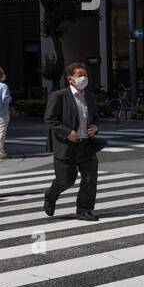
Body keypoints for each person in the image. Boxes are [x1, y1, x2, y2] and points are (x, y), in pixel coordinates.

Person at [43, 62, 101, 221]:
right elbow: (50, 119)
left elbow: (95, 117)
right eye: (80, 75)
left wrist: (95, 126)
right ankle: (50, 195)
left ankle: (84, 210)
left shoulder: (90, 96)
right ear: (70, 79)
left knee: (90, 178)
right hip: (66, 146)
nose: (84, 78)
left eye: (86, 75)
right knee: (66, 180)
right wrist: (67, 133)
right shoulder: (58, 96)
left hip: (86, 144)